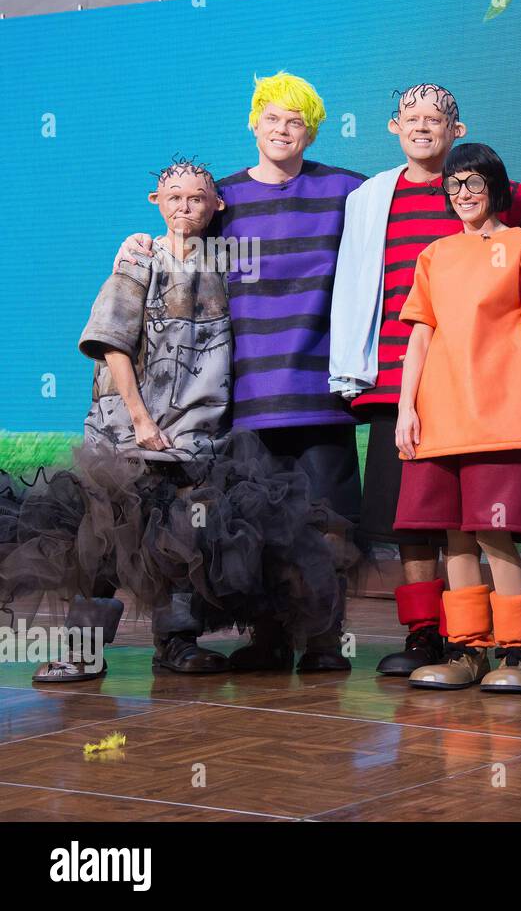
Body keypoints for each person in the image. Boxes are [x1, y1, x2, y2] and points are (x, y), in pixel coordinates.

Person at [2, 160, 354, 681]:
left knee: (182, 542)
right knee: (101, 542)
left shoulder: (228, 266)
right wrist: (142, 419)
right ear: (155, 203)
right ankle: (79, 652)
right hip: (129, 434)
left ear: (218, 206)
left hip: (197, 438)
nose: (184, 208)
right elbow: (112, 345)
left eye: (196, 199)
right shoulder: (138, 262)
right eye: (173, 199)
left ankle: (175, 644)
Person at [113, 71, 366, 673]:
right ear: (254, 123)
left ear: (312, 130)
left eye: (295, 120)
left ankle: (325, 642)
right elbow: (178, 245)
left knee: (326, 528)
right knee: (254, 529)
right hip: (245, 398)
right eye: (272, 118)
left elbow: (434, 192)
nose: (283, 129)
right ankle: (271, 639)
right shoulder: (221, 200)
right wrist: (140, 244)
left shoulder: (348, 192)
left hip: (323, 394)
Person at [330, 83, 521, 676]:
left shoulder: (496, 197)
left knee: (474, 521)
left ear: (458, 130)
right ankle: (427, 636)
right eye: (412, 117)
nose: (424, 126)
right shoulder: (373, 197)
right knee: (413, 521)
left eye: (438, 119)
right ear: (394, 126)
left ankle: (496, 644)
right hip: (397, 384)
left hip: (477, 388)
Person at [392, 143, 521, 693]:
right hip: (441, 417)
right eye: (454, 186)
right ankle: (467, 651)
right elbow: (419, 335)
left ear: (495, 187)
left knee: (494, 533)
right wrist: (405, 409)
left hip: (502, 417)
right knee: (455, 536)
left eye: (473, 183)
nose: (463, 195)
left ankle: (520, 652)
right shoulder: (435, 254)